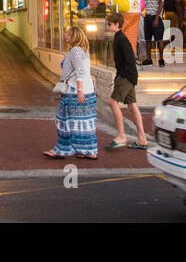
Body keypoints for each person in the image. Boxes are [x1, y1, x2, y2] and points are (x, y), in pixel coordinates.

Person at [44, 26, 98, 160]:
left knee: (63, 120)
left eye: (68, 35)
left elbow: (79, 72)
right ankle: (88, 150)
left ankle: (61, 149)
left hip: (76, 91)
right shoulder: (84, 51)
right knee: (84, 122)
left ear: (74, 37)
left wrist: (79, 91)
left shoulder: (75, 51)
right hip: (88, 90)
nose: (66, 36)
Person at [104, 13, 148, 150]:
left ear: (117, 24)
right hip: (129, 75)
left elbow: (129, 59)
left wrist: (122, 77)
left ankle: (122, 135)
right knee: (132, 105)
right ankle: (142, 139)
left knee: (113, 102)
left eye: (110, 24)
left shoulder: (121, 39)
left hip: (126, 76)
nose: (108, 26)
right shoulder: (119, 38)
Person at [136, 0, 166, 66]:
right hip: (148, 16)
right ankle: (149, 59)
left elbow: (161, 3)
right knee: (147, 39)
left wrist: (157, 18)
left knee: (159, 39)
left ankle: (161, 59)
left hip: (155, 16)